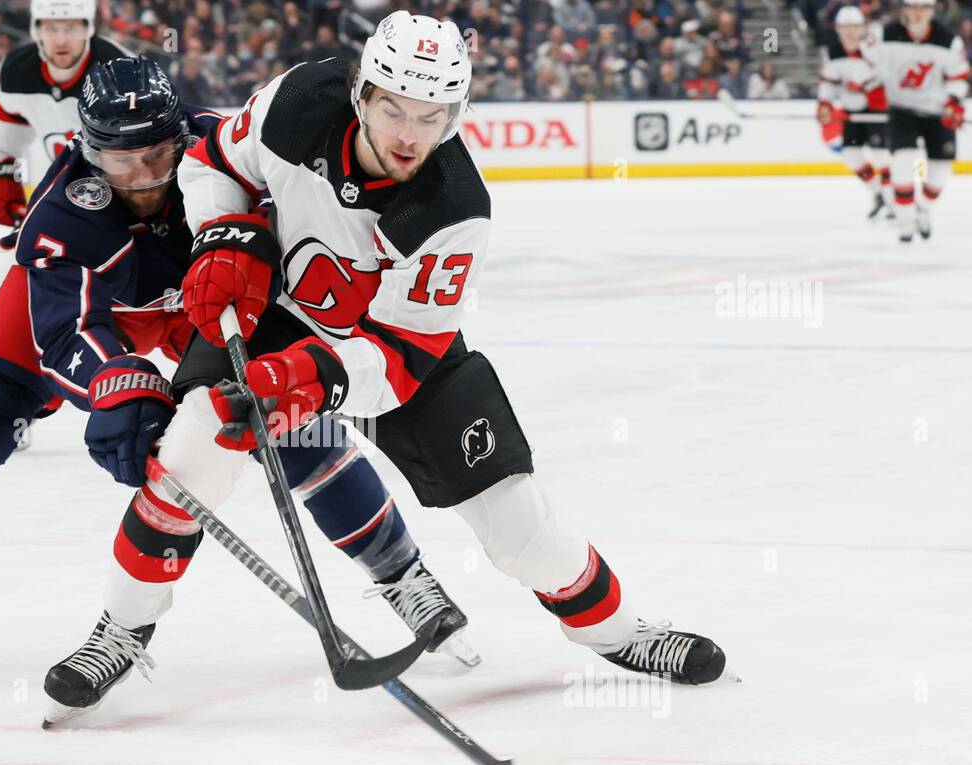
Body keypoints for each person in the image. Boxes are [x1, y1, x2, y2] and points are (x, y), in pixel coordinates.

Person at [50, 12, 730, 724]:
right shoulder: (295, 106)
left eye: (432, 117)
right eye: (394, 109)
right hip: (277, 312)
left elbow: (402, 354)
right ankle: (121, 631)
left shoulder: (454, 207)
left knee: (519, 523)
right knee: (191, 451)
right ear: (361, 93)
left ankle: (620, 635)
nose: (410, 135)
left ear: (456, 115)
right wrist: (224, 238)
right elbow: (215, 162)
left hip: (394, 351)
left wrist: (316, 378)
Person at [0, 57, 473, 686]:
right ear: (87, 150)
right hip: (97, 310)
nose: (146, 176)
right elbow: (69, 331)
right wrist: (118, 388)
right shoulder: (63, 215)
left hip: (204, 298)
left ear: (180, 135)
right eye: (121, 160)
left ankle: (402, 574)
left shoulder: (225, 145)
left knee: (284, 411)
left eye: (160, 155)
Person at [0, 0, 131, 230]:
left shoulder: (120, 70)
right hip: (62, 206)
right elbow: (6, 145)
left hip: (123, 207)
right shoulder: (15, 71)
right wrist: (4, 172)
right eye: (51, 28)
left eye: (71, 28)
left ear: (88, 27)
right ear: (35, 30)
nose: (60, 40)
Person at [863, 0, 967, 242]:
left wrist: (953, 101)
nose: (918, 13)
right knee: (904, 163)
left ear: (932, 11)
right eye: (913, 7)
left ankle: (923, 207)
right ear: (904, 10)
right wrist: (868, 86)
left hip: (936, 112)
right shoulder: (884, 35)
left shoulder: (949, 41)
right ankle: (906, 221)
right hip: (902, 110)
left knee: (938, 175)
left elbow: (959, 77)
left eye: (923, 8)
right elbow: (867, 65)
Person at [817, 6, 893, 220]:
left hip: (877, 109)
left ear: (863, 27)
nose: (849, 31)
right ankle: (877, 191)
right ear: (838, 29)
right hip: (852, 111)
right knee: (851, 154)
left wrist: (864, 86)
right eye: (845, 27)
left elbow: (887, 73)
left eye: (854, 26)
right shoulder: (832, 51)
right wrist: (824, 105)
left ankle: (892, 199)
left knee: (882, 155)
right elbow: (829, 83)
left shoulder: (873, 47)